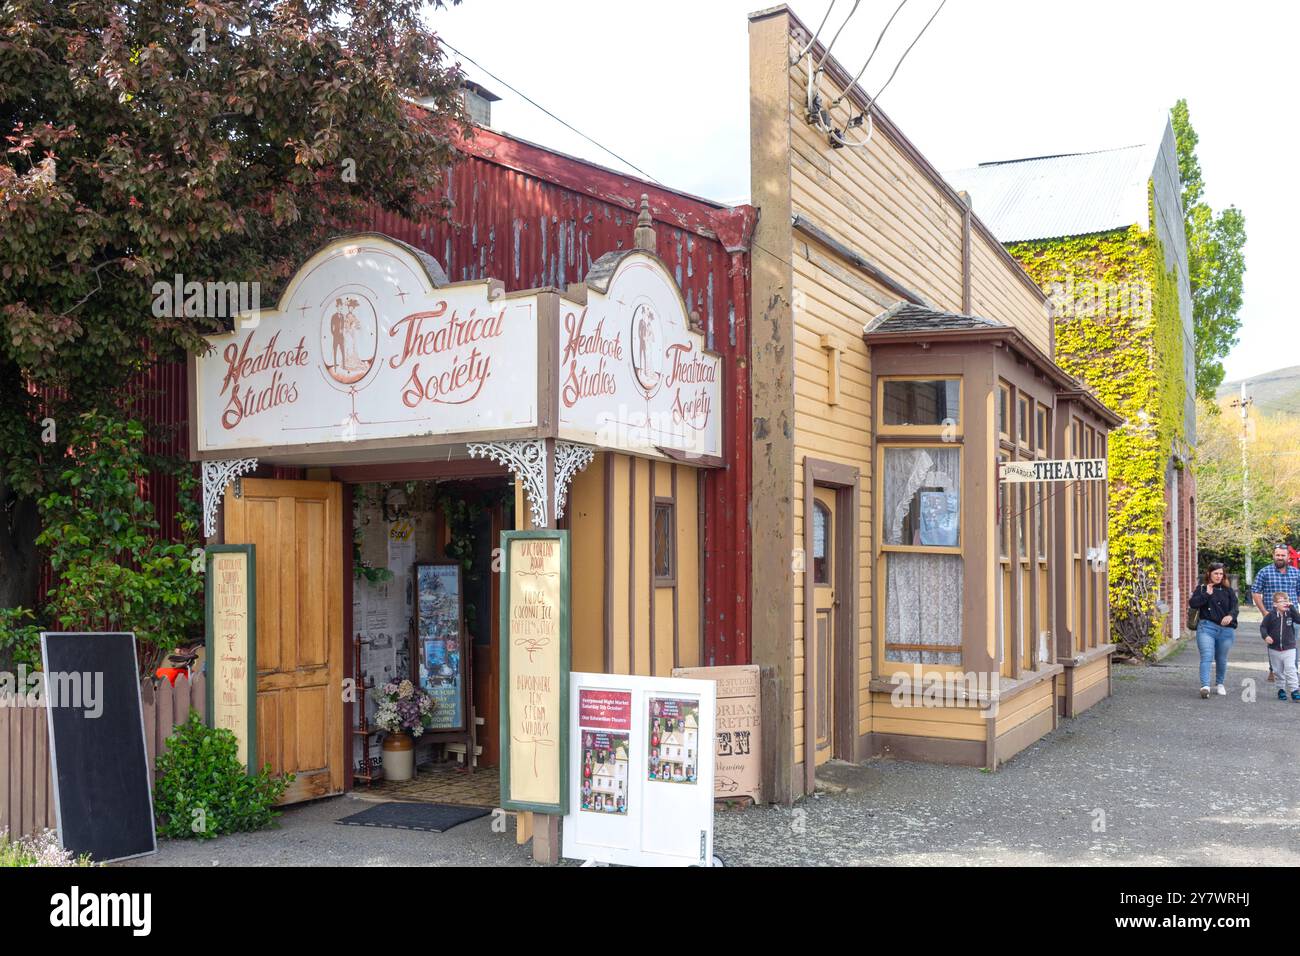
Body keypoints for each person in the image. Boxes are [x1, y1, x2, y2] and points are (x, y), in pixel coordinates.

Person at [1189, 563, 1239, 698]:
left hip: (1226, 631)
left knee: (1221, 658)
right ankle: (1205, 686)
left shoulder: (1228, 590)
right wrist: (1207, 594)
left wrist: (1230, 616)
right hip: (1206, 627)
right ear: (1209, 574)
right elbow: (1193, 603)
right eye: (1215, 573)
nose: (1218, 576)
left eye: (1221, 574)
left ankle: (1219, 684)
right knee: (1206, 656)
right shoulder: (1202, 588)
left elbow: (1235, 607)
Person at [1252, 544, 1300, 682]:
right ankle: (1274, 669)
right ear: (1273, 556)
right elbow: (1256, 592)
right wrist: (1264, 612)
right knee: (1273, 643)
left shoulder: (1296, 573)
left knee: (1292, 644)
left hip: (1291, 616)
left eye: (1282, 555)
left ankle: (1293, 673)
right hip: (1273, 617)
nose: (1279, 557)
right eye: (1277, 555)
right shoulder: (1264, 572)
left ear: (1288, 557)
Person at [1259, 591, 1300, 701]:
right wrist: (1266, 636)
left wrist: (1292, 608)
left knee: (1291, 669)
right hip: (1274, 648)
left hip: (1289, 647)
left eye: (1286, 601)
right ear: (1275, 604)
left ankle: (1294, 690)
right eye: (1281, 601)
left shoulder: (1291, 614)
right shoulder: (1270, 616)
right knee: (1278, 671)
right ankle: (1281, 689)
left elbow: (1299, 620)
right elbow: (1263, 627)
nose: (1284, 603)